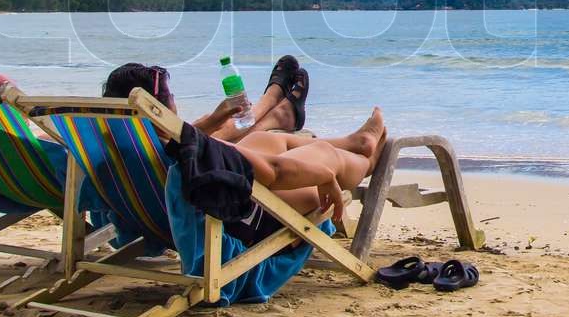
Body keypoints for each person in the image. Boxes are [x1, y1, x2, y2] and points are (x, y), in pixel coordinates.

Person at [101, 61, 386, 223]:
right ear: (163, 108)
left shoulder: (116, 141)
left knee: (262, 138)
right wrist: (323, 175)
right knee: (322, 154)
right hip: (240, 215)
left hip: (171, 214)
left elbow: (176, 134)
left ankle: (355, 142)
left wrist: (214, 120)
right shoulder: (190, 152)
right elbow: (275, 173)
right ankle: (367, 159)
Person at [105, 56, 310, 143]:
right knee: (210, 138)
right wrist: (215, 118)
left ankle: (275, 112)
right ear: (156, 109)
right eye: (170, 96)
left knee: (203, 133)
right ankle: (272, 107)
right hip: (198, 195)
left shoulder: (114, 140)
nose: (174, 99)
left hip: (148, 212)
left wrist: (213, 119)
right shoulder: (166, 154)